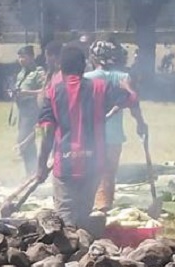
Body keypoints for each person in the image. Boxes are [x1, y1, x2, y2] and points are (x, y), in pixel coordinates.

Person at [36, 45, 137, 233]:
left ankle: (66, 256)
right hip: (92, 165)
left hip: (64, 164)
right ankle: (83, 255)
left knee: (65, 221)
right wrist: (129, 89)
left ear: (62, 68)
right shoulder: (100, 88)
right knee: (83, 218)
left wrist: (41, 165)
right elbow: (130, 100)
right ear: (84, 67)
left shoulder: (53, 92)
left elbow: (47, 130)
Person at [84, 40, 148, 213]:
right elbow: (134, 104)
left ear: (93, 57)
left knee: (92, 171)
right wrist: (140, 123)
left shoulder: (87, 79)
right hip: (114, 135)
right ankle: (106, 205)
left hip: (91, 134)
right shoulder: (123, 77)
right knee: (110, 171)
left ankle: (91, 206)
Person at [11, 45, 46, 177]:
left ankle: (33, 171)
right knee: (26, 143)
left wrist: (27, 93)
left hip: (33, 111)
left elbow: (45, 90)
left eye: (23, 57)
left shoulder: (39, 72)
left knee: (24, 141)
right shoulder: (21, 73)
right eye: (19, 57)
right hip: (22, 111)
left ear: (31, 57)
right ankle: (31, 172)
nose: (21, 60)